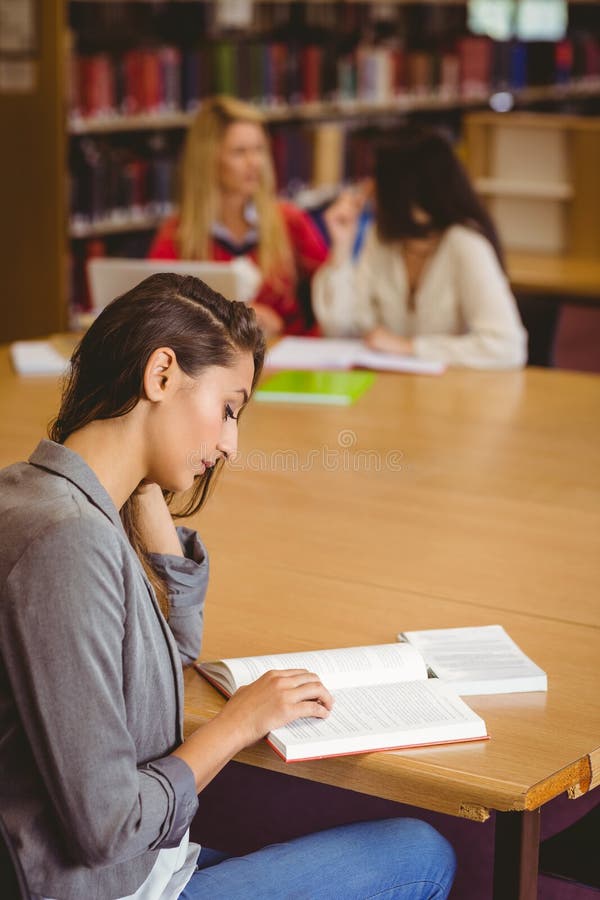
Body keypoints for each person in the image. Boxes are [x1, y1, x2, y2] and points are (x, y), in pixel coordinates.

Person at [0, 273, 456, 899]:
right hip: (118, 886)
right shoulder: (66, 542)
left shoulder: (42, 496)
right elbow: (109, 826)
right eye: (228, 408)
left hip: (153, 866)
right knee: (423, 856)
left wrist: (141, 481)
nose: (231, 444)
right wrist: (237, 723)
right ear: (161, 375)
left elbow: (168, 659)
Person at [312, 128, 528, 369]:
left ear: (403, 190)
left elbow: (506, 346)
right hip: (390, 391)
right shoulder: (384, 238)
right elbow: (341, 329)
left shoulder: (465, 244)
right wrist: (341, 247)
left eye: (378, 178)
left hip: (454, 396)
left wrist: (411, 348)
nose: (370, 189)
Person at [148, 95, 328, 338]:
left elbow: (332, 299)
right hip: (212, 362)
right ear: (209, 159)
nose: (255, 163)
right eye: (239, 152)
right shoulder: (178, 233)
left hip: (286, 356)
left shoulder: (289, 221)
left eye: (259, 150)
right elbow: (157, 316)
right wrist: (233, 320)